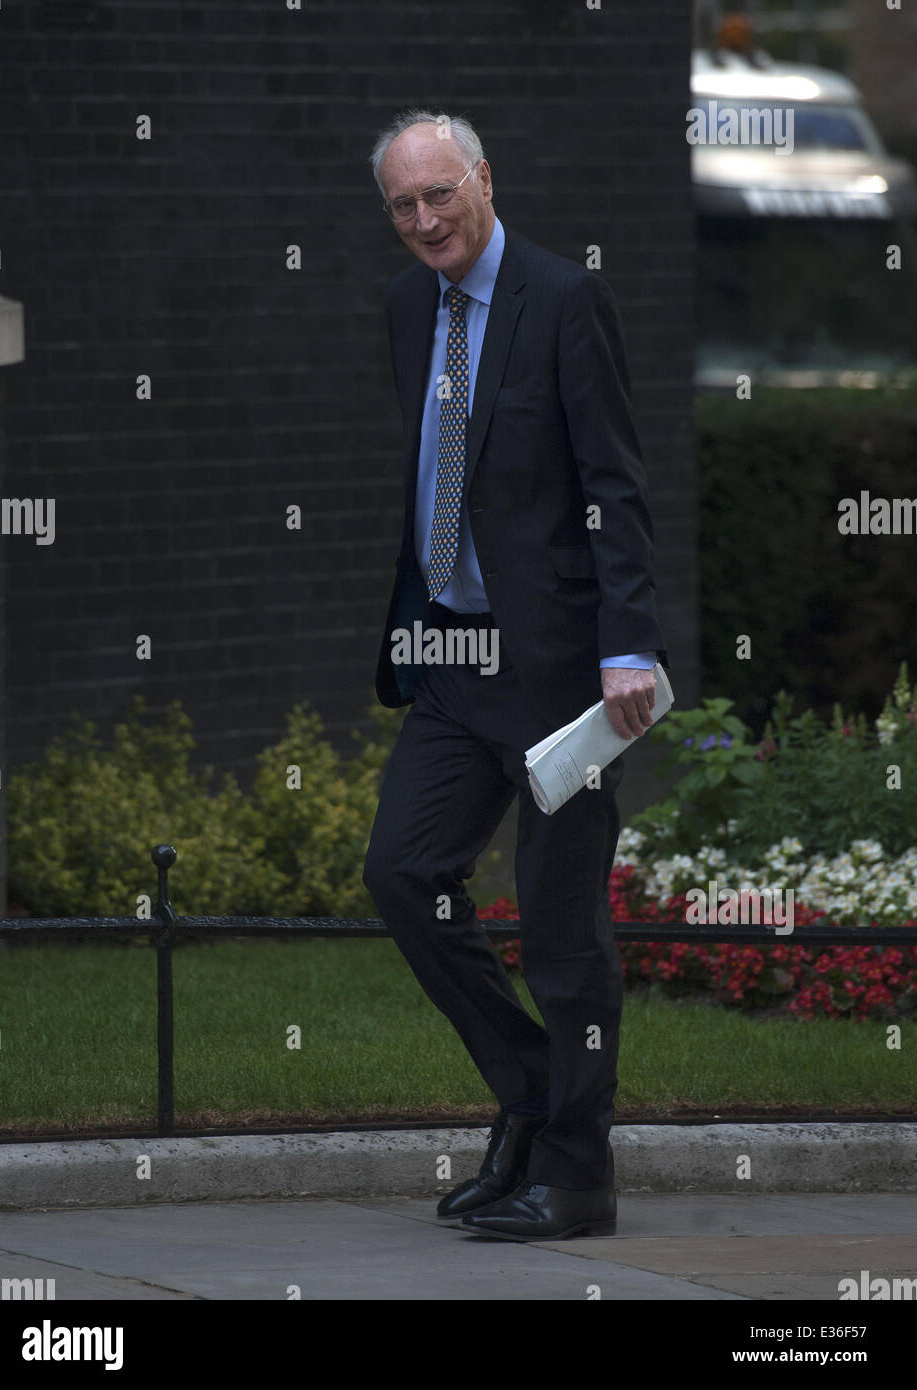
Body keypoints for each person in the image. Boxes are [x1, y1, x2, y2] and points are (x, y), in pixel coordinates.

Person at [362, 110, 669, 1241]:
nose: (426, 219)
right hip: (451, 652)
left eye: (442, 193)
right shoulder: (407, 306)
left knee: (561, 929)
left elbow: (616, 480)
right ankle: (537, 1096)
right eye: (404, 204)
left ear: (484, 180)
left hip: (561, 672)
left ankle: (577, 1176)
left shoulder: (562, 297)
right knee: (403, 871)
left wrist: (628, 643)